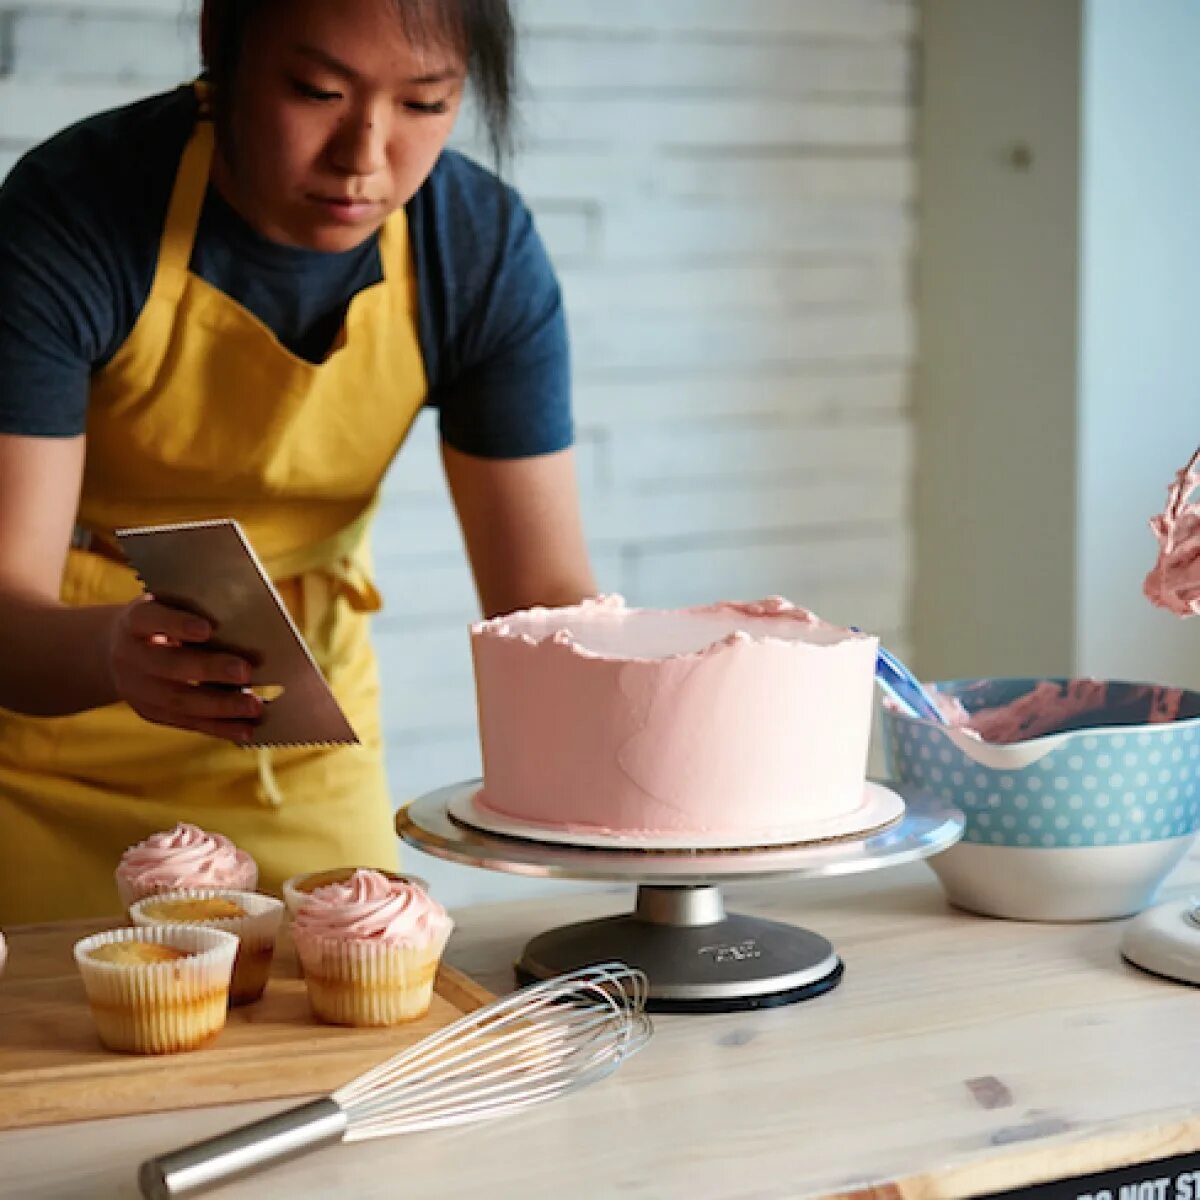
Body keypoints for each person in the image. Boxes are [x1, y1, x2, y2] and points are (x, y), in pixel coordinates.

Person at [0, 0, 596, 923]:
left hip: (299, 726)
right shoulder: (73, 213)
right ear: (218, 44)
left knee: (353, 994)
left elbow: (543, 610)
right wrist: (119, 653)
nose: (364, 157)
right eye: (317, 92)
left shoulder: (476, 248)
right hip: (49, 731)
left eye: (425, 104)